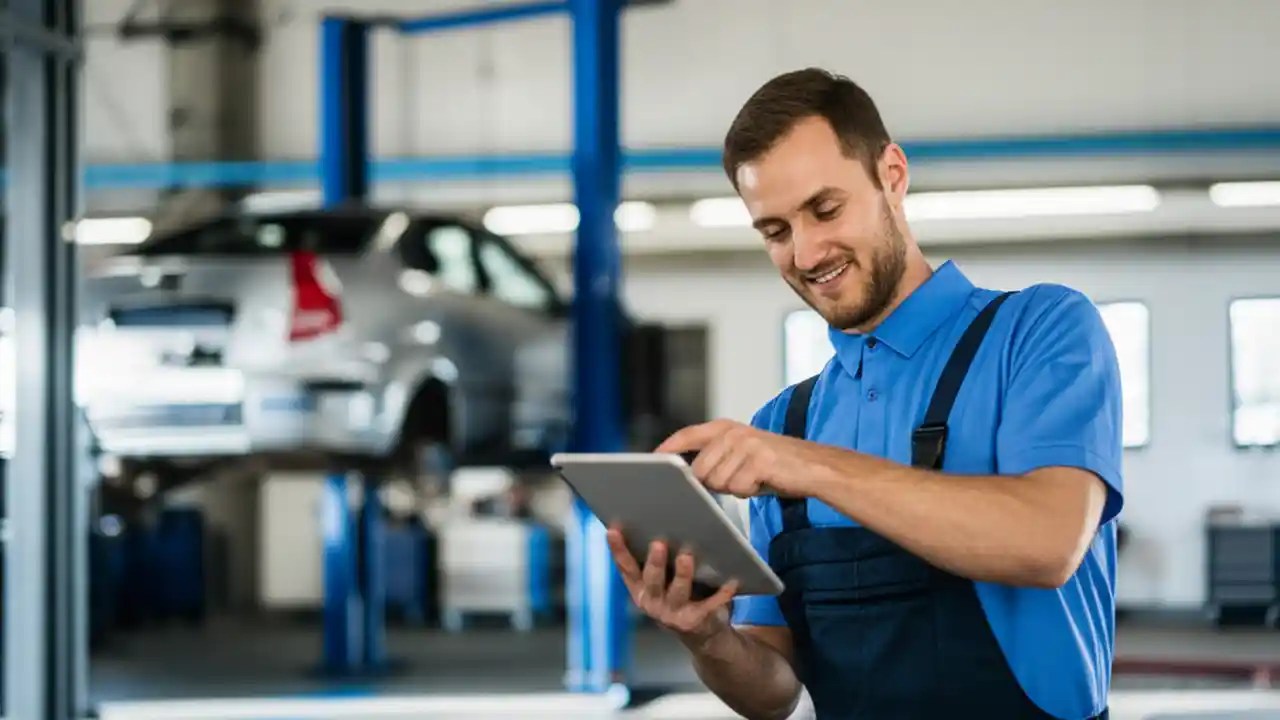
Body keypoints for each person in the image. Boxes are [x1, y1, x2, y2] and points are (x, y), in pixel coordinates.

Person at [605, 68, 1123, 719]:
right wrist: (706, 637)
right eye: (775, 231)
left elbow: (1048, 541)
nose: (807, 250)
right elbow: (772, 690)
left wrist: (806, 465)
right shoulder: (783, 424)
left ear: (893, 176)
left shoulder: (1040, 331)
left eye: (826, 209)